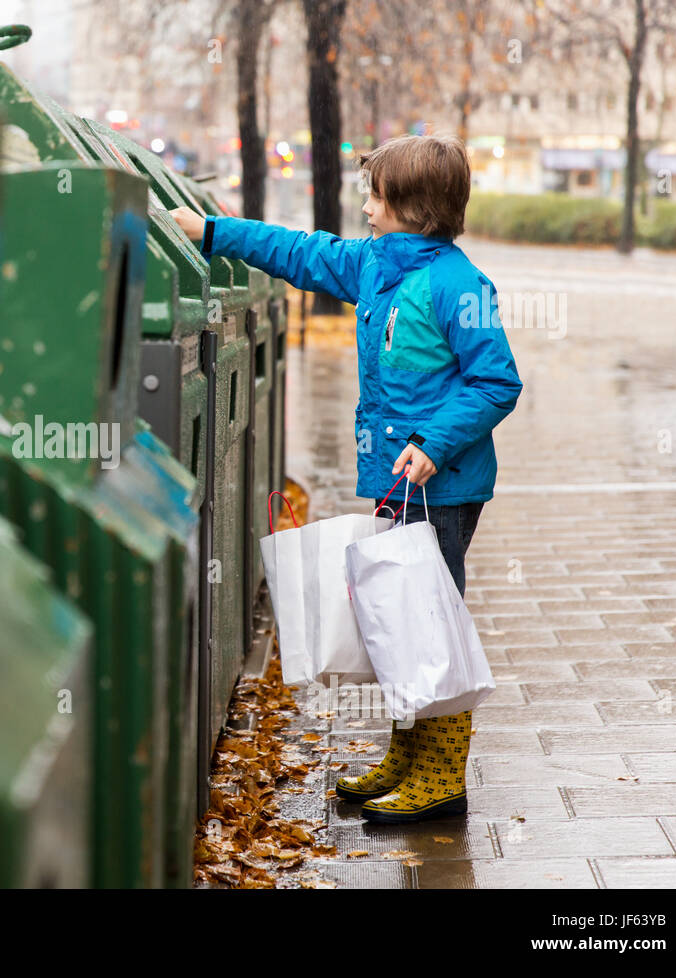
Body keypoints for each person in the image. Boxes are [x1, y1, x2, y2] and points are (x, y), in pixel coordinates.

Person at [170, 133, 522, 824]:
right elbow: (300, 253)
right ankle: (408, 754)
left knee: (432, 622)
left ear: (411, 207)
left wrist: (432, 444)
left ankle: (443, 776)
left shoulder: (456, 284)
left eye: (375, 195)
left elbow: (496, 382)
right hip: (399, 480)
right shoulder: (375, 267)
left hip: (440, 485)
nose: (364, 206)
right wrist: (211, 231)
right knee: (403, 614)